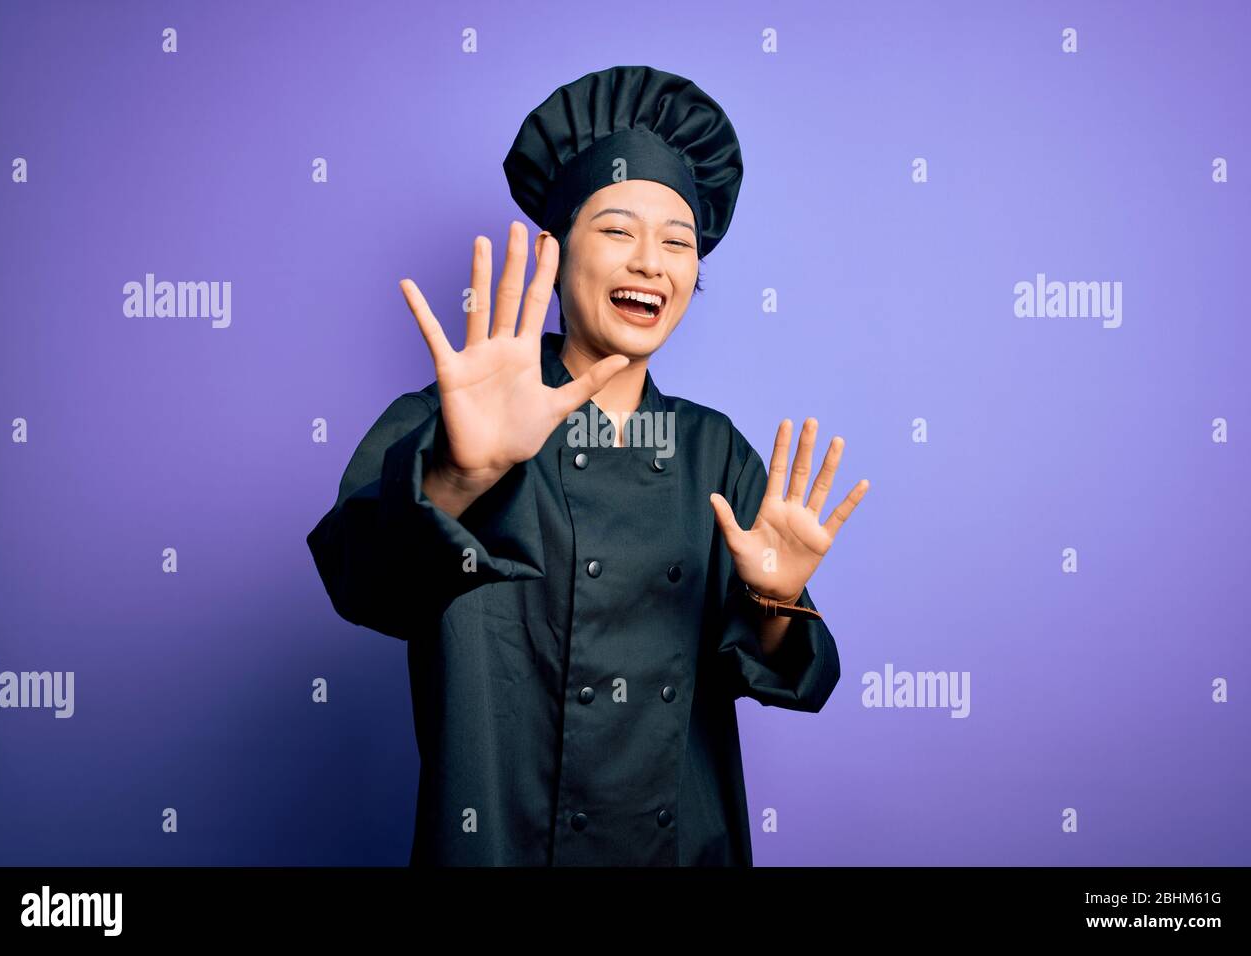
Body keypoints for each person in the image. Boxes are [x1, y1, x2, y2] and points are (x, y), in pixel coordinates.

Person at [306, 65, 869, 866]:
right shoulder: (449, 423)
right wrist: (462, 475)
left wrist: (776, 600)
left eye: (678, 242)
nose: (650, 261)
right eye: (616, 230)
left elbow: (790, 675)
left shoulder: (716, 453)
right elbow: (360, 581)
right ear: (555, 250)